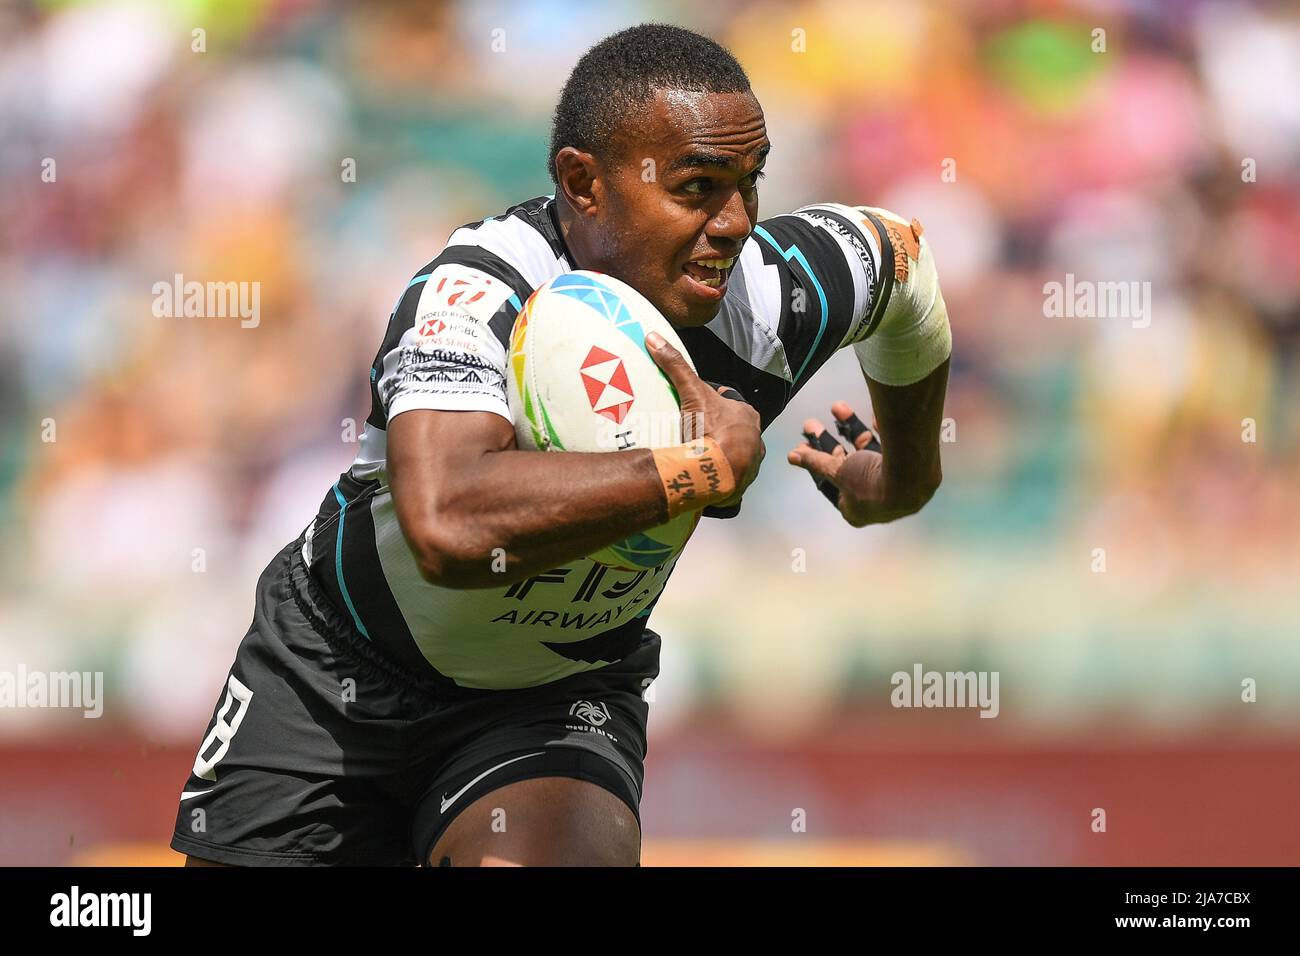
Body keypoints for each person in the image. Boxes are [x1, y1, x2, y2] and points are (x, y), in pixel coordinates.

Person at [171, 22, 951, 867]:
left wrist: (902, 480)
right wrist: (691, 471)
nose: (734, 224)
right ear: (583, 182)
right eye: (697, 188)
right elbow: (446, 526)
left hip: (552, 697)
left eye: (748, 183)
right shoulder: (475, 288)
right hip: (333, 676)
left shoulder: (772, 297)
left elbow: (904, 265)